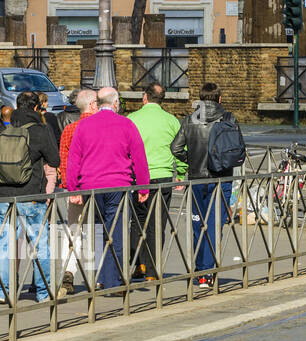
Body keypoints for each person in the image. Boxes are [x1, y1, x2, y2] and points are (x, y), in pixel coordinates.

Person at [63, 87, 150, 292]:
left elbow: (74, 160)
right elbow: (139, 157)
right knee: (116, 232)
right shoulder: (126, 124)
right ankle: (111, 281)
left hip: (90, 186)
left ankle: (101, 276)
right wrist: (143, 186)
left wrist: (73, 188)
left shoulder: (83, 126)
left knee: (98, 231)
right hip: (118, 184)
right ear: (116, 103)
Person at [0, 92, 60, 303]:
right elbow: (55, 159)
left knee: (5, 245)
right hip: (32, 195)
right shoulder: (41, 130)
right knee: (39, 245)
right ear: (36, 108)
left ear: (17, 106)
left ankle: (3, 291)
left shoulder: (5, 128)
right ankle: (44, 293)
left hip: (4, 196)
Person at [180, 83, 242, 289]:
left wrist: (190, 160)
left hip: (197, 177)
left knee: (198, 223)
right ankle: (208, 272)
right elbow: (238, 149)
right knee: (215, 224)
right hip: (221, 178)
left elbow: (175, 147)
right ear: (219, 99)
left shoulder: (189, 120)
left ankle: (200, 270)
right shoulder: (228, 119)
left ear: (200, 99)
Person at [129, 83, 187, 281]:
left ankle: (139, 263)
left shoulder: (132, 119)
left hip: (137, 177)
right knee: (157, 223)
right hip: (162, 176)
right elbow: (179, 149)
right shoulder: (171, 121)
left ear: (145, 97)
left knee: (137, 221)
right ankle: (152, 271)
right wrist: (181, 172)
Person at [55, 89, 98, 299]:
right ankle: (97, 275)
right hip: (99, 186)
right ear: (92, 105)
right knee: (99, 230)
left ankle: (68, 273)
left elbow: (64, 161)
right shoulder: (101, 127)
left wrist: (71, 187)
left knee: (73, 232)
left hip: (75, 188)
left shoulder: (70, 129)